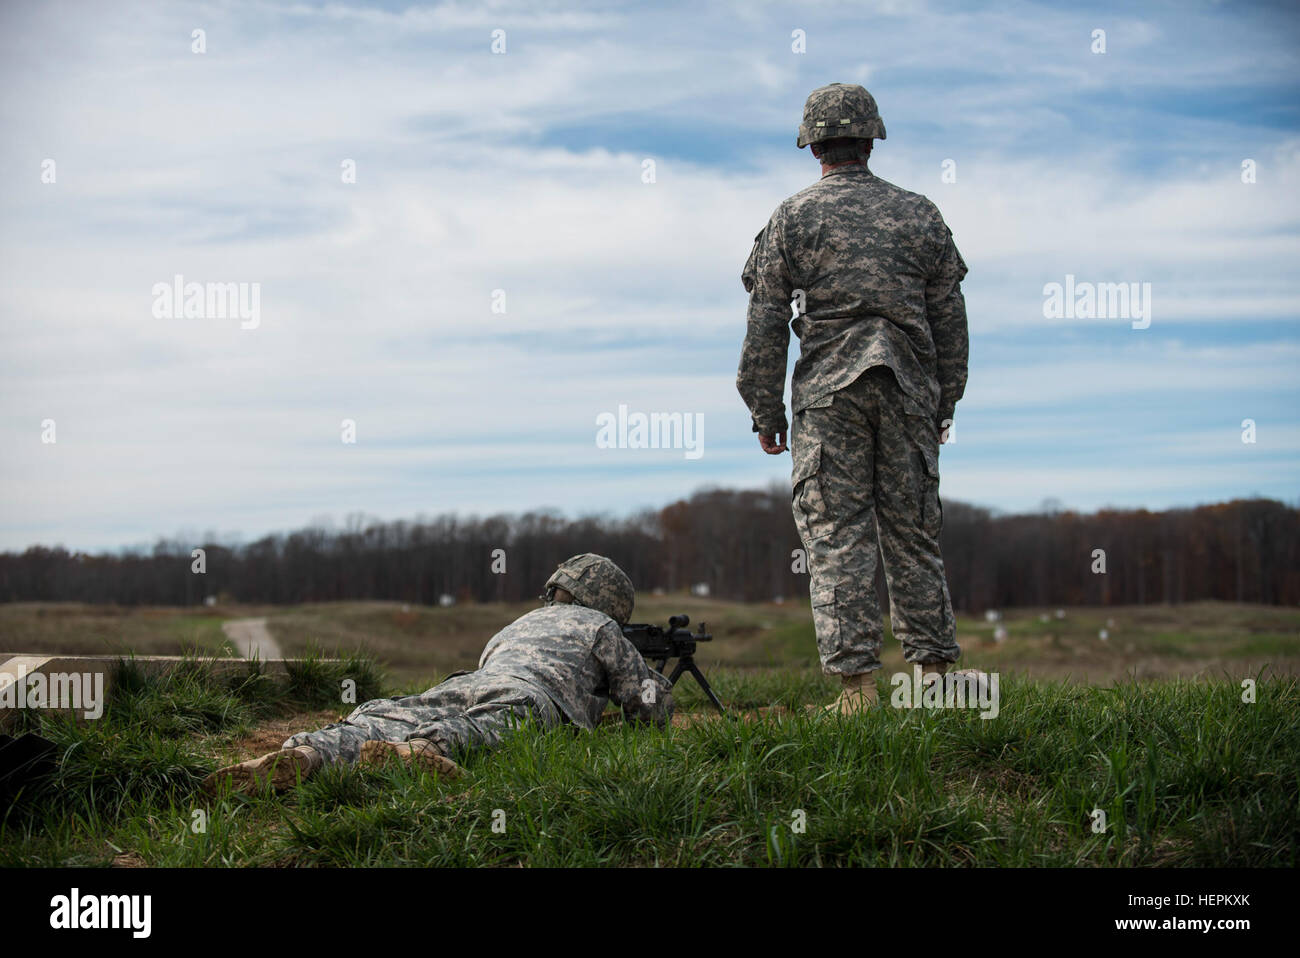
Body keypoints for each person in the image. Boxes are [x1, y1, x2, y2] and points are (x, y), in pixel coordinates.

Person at [736, 83, 970, 714]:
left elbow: (764, 320)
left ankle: (858, 694)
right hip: (908, 391)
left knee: (836, 538)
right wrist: (945, 400)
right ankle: (935, 685)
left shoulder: (792, 217)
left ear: (814, 147)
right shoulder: (920, 214)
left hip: (827, 399)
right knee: (913, 532)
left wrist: (765, 409)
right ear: (870, 140)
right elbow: (950, 317)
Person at [203, 554, 673, 795]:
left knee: (393, 711)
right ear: (609, 603)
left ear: (558, 590)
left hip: (463, 681)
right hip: (529, 696)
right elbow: (646, 702)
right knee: (495, 725)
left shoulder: (519, 623)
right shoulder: (601, 626)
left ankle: (310, 751)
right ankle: (423, 751)